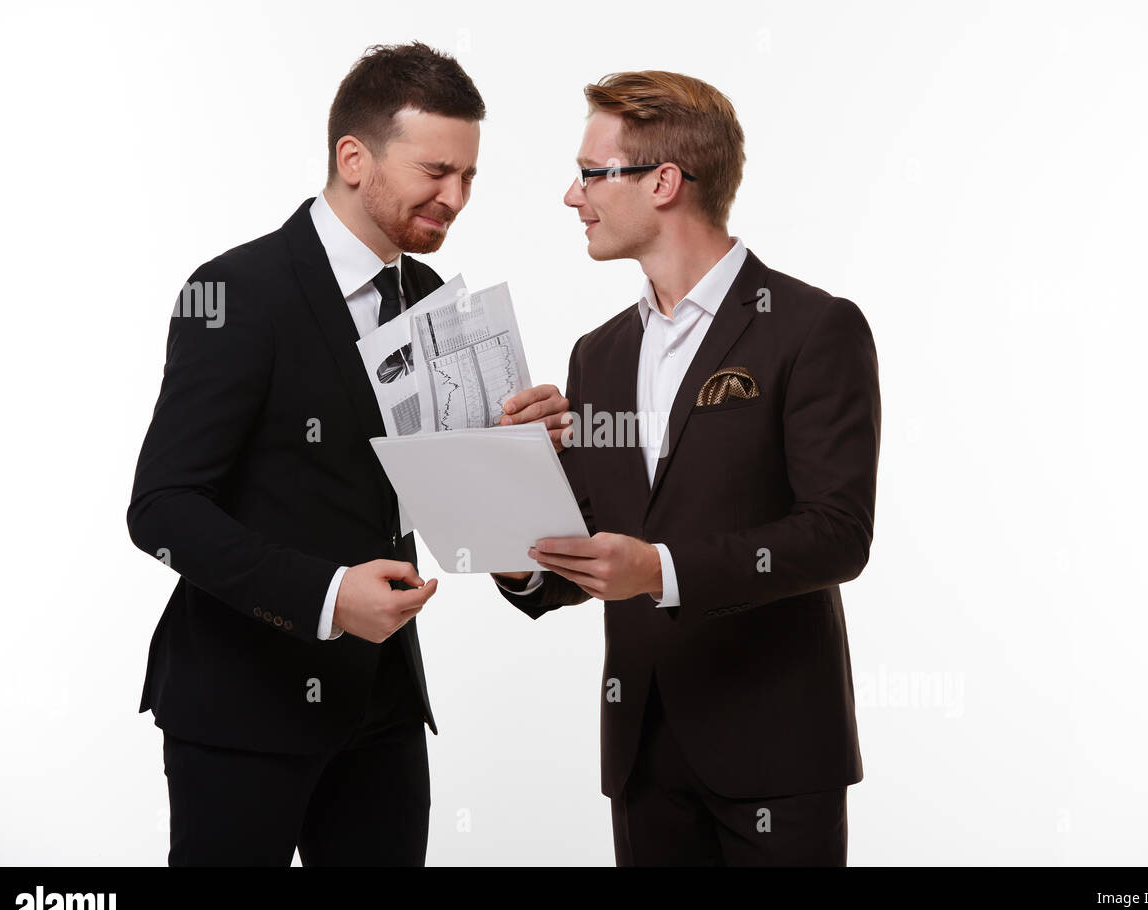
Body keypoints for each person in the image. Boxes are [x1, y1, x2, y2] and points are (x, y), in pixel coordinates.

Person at [128, 42, 567, 866]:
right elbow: (161, 509)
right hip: (240, 705)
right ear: (354, 158)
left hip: (385, 709)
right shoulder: (236, 294)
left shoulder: (435, 302)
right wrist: (327, 596)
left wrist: (516, 467)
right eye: (437, 170)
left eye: (470, 177)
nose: (457, 197)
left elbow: (461, 514)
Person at [493, 70, 881, 866]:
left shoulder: (814, 329)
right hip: (643, 750)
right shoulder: (598, 354)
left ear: (664, 182)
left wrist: (661, 569)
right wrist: (511, 512)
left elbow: (838, 534)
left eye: (592, 174)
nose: (574, 197)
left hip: (775, 753)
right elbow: (600, 551)